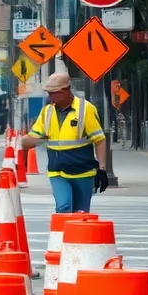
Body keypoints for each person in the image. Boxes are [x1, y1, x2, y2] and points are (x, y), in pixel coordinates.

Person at [20, 72, 108, 213]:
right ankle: (60, 235)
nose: (50, 96)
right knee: (64, 207)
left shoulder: (85, 110)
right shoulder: (47, 112)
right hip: (57, 173)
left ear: (66, 90)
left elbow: (99, 140)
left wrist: (102, 168)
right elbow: (32, 138)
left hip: (83, 173)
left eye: (53, 93)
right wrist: (22, 142)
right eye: (48, 92)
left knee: (81, 214)